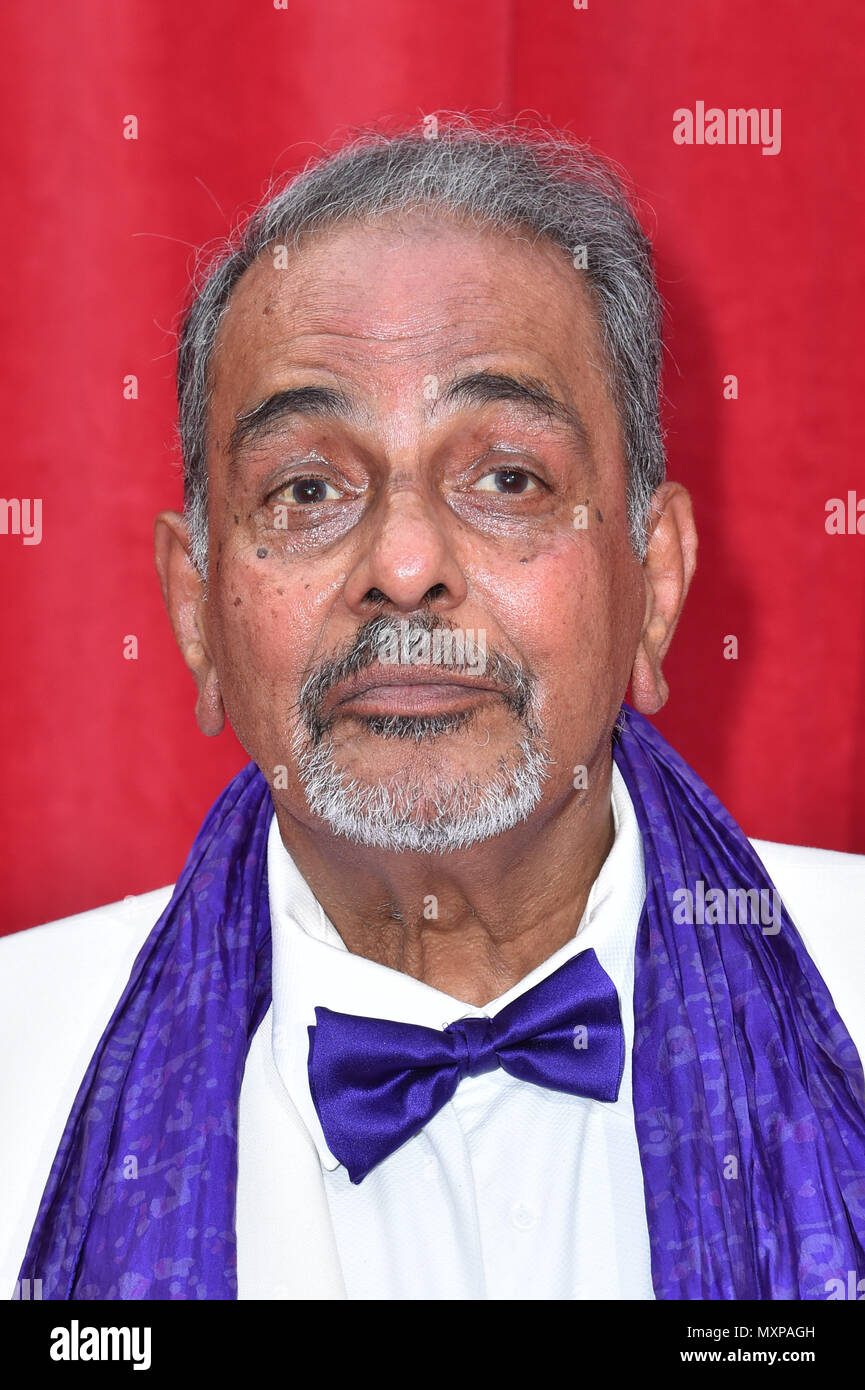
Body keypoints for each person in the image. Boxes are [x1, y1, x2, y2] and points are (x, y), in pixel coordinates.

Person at [3, 119, 864, 1302]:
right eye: (308, 488)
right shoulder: (22, 1072)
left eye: (507, 478)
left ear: (651, 584)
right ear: (197, 612)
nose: (404, 563)